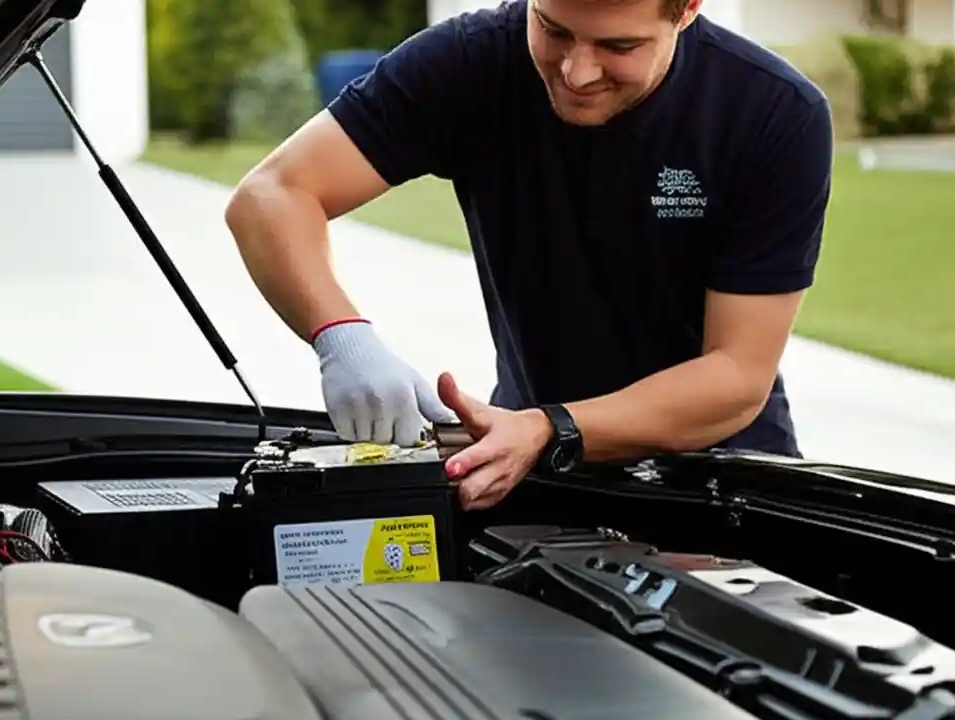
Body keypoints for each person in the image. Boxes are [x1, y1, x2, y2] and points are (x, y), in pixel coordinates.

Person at [224, 0, 833, 511]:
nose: (576, 71)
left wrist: (551, 428)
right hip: (532, 474)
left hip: (724, 492)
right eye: (554, 29)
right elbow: (271, 195)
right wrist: (343, 337)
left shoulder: (772, 113)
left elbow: (736, 376)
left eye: (618, 46)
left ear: (688, 10)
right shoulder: (471, 63)